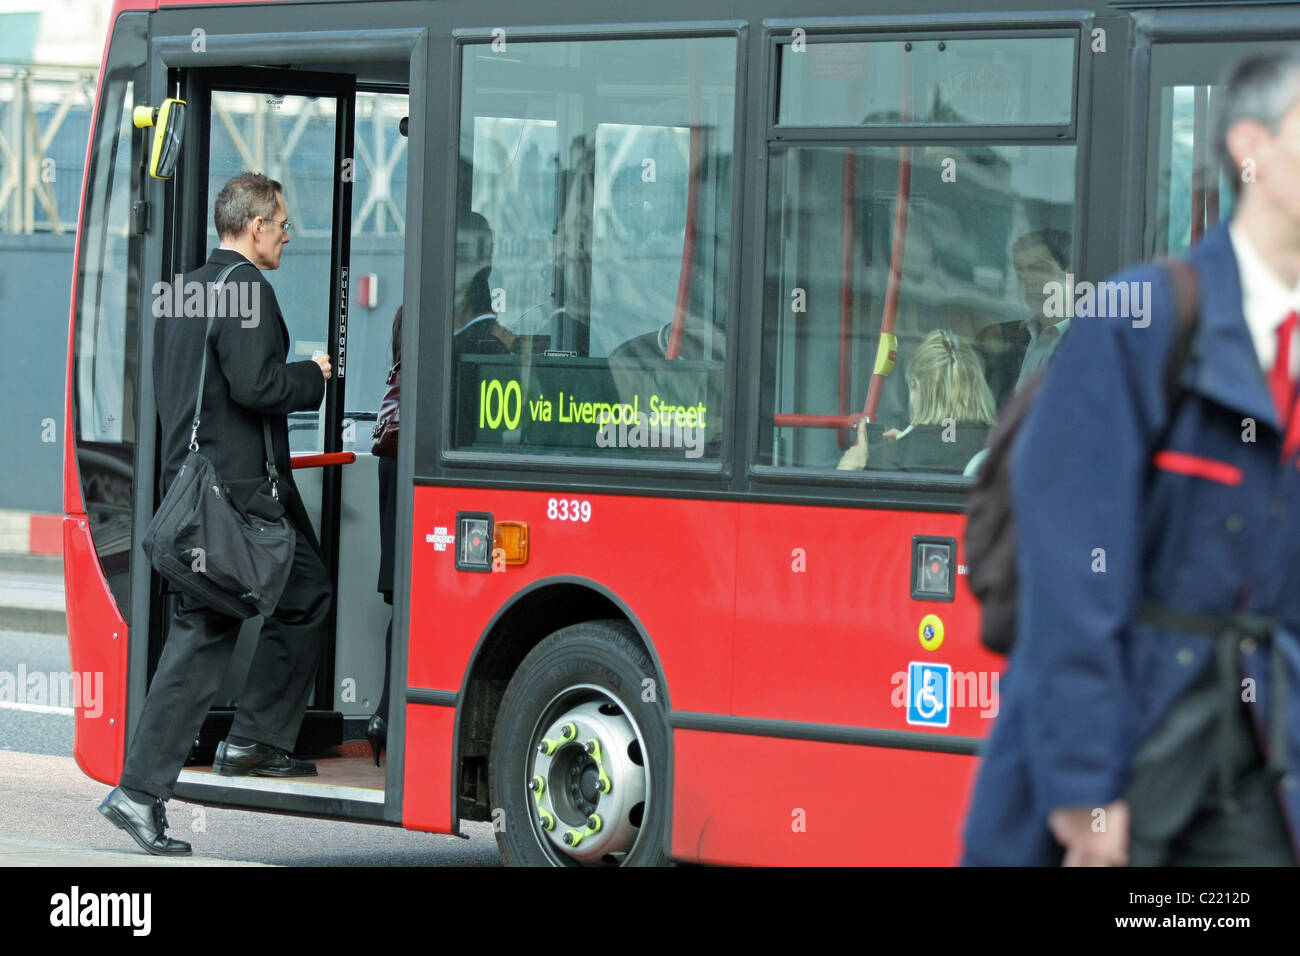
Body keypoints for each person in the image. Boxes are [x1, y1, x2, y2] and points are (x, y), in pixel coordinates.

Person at [963, 48, 1300, 866]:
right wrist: (1082, 791)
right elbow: (1072, 570)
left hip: (1261, 765)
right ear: (1251, 149)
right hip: (1133, 757)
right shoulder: (1141, 321)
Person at [98, 172, 333, 856]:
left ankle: (250, 743)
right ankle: (143, 791)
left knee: (290, 597)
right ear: (255, 227)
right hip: (234, 504)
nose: (289, 233)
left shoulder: (181, 288)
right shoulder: (247, 289)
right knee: (204, 636)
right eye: (282, 223)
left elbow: (182, 392)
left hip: (191, 494)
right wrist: (311, 375)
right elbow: (257, 386)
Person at [836, 329, 996, 473]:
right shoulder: (1003, 444)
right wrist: (914, 439)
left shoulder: (883, 463)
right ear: (978, 386)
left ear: (915, 385)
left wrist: (847, 471)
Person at [369, 305, 401, 765]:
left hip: (395, 454)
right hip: (413, 458)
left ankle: (385, 717)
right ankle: (388, 718)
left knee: (407, 605)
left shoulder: (404, 310)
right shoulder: (453, 313)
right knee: (416, 605)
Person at [1010, 228, 1072, 391]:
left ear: (1070, 272)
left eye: (1039, 269)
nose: (1027, 279)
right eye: (1020, 273)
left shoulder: (1087, 340)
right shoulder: (1009, 338)